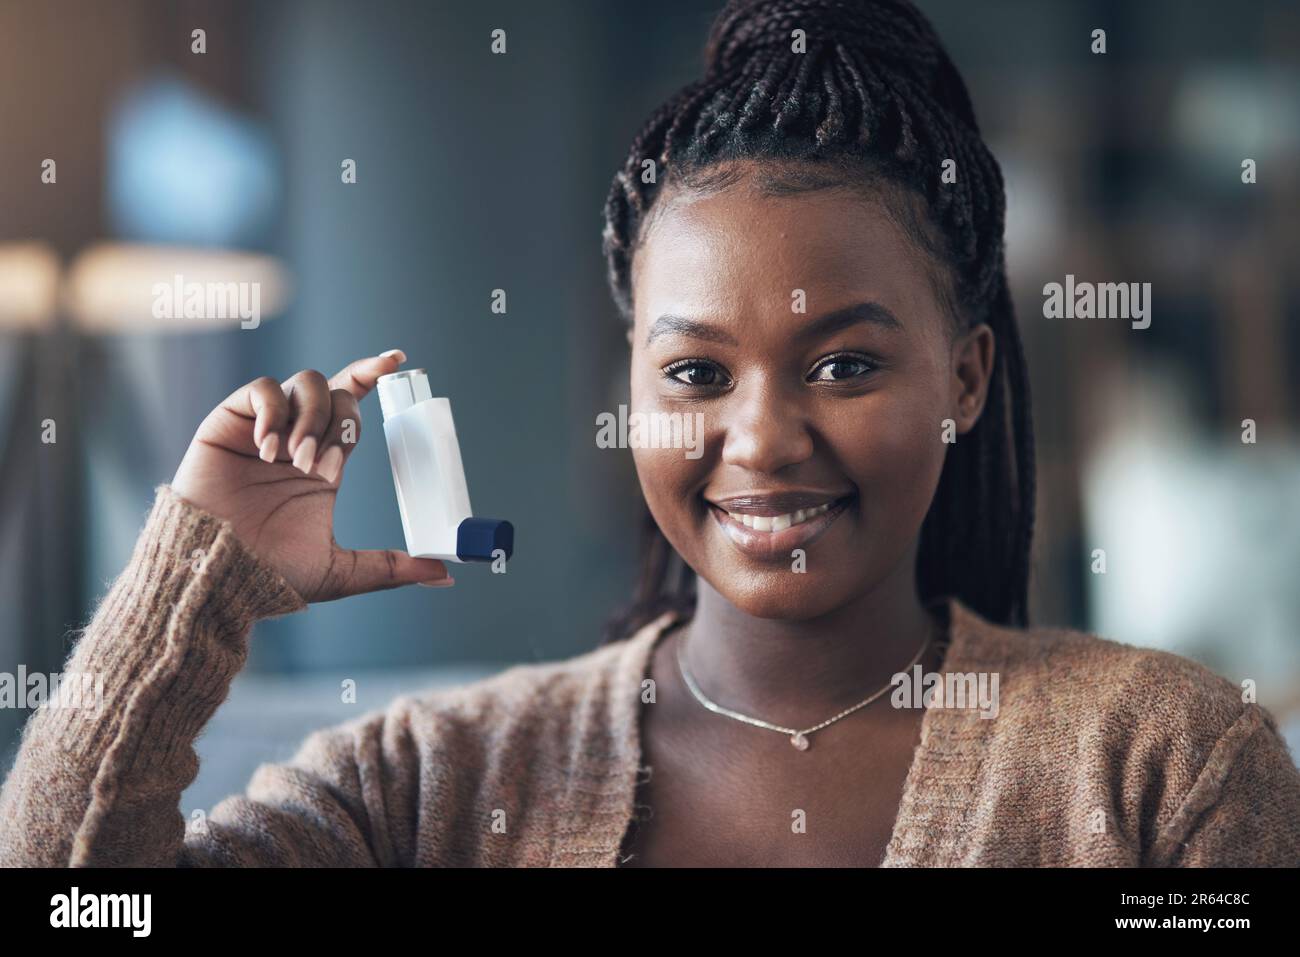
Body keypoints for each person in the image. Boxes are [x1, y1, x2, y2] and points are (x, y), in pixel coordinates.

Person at [3, 0, 1298, 867]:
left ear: (963, 378)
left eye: (843, 361)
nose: (764, 435)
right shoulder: (437, 778)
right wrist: (193, 581)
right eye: (695, 371)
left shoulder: (1156, 765)